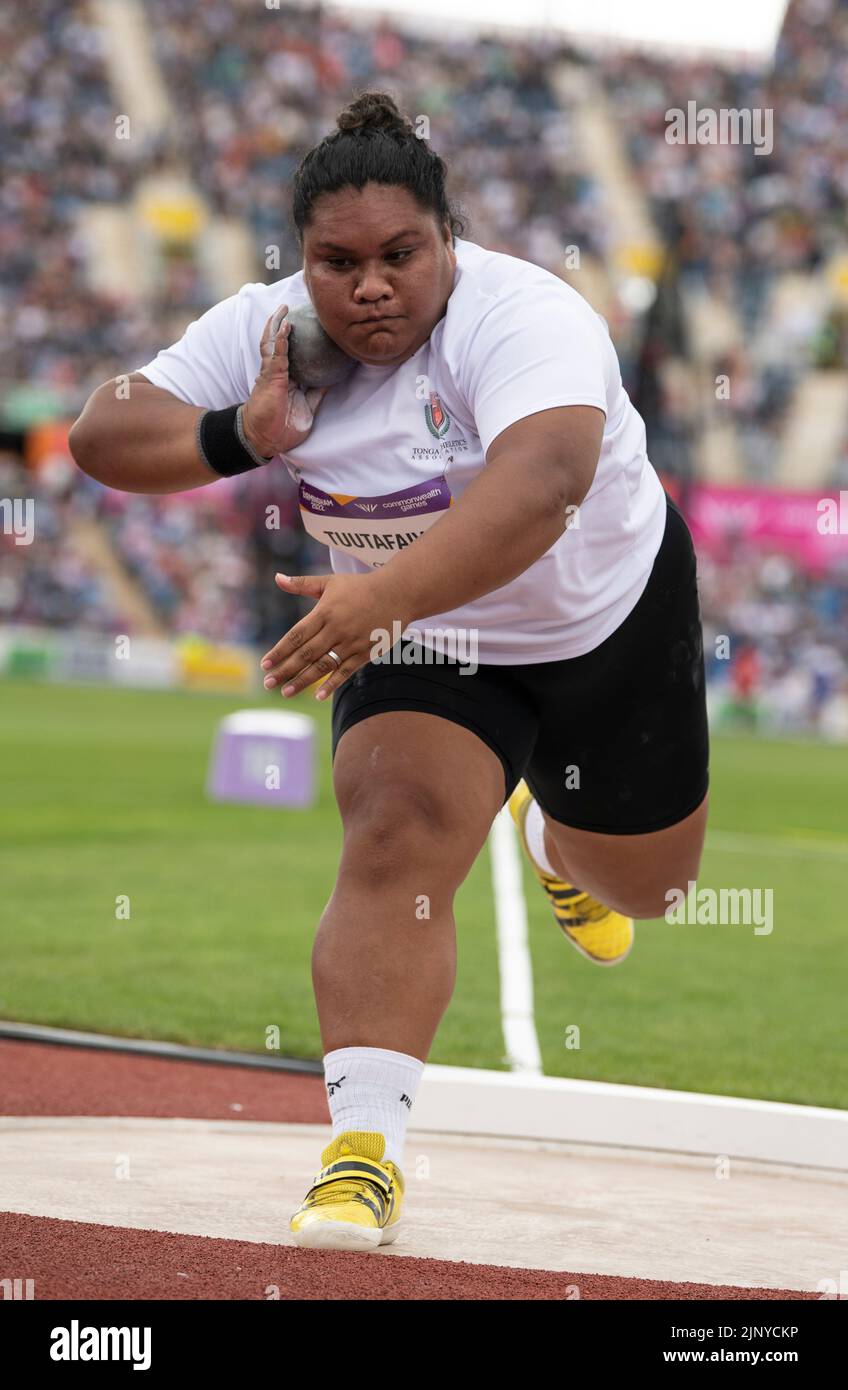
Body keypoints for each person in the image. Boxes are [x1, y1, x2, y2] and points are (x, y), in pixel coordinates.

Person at [69, 90, 710, 1253]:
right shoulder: (268, 329)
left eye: (399, 255)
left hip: (600, 618)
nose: (370, 286)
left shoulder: (525, 317)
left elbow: (544, 481)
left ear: (446, 242)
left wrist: (378, 595)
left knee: (647, 891)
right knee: (393, 827)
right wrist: (239, 436)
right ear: (301, 262)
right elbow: (101, 434)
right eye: (337, 261)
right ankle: (362, 1150)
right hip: (420, 640)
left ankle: (555, 842)